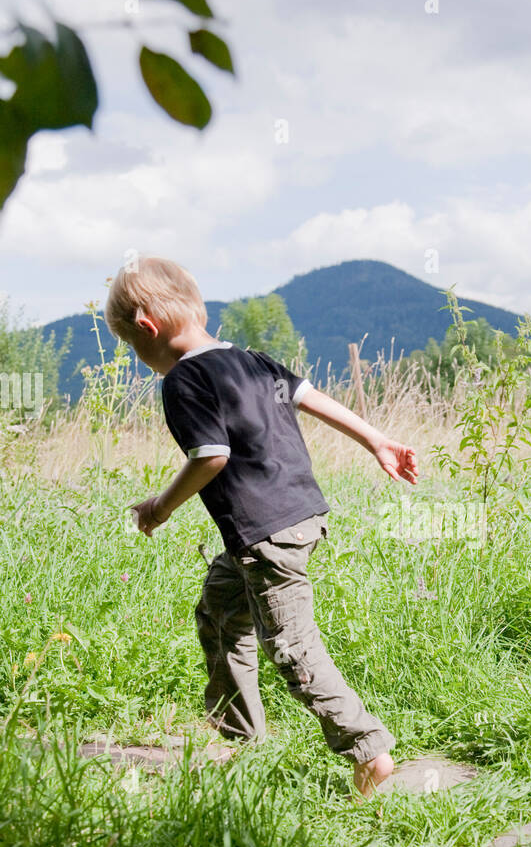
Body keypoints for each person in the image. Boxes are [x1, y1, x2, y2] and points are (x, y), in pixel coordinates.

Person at [105, 256, 417, 797]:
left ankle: (367, 747)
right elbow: (312, 399)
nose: (139, 359)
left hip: (265, 533)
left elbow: (211, 456)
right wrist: (377, 440)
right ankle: (239, 739)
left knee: (291, 648)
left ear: (146, 327)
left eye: (132, 347)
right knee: (222, 612)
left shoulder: (183, 380)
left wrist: (160, 507)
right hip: (295, 517)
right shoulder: (250, 360)